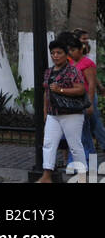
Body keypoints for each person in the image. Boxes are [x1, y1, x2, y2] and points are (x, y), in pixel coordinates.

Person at [37, 35, 88, 182]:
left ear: (66, 54)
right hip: (54, 114)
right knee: (48, 144)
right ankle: (47, 176)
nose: (55, 56)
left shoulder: (73, 70)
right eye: (53, 53)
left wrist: (60, 90)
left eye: (59, 53)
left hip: (72, 114)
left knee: (75, 146)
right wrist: (45, 111)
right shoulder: (49, 71)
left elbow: (81, 90)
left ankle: (82, 176)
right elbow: (46, 92)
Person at [72, 28, 105, 149]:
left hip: (87, 96)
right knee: (85, 131)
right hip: (76, 98)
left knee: (94, 123)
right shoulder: (71, 59)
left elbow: (91, 81)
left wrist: (90, 103)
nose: (86, 41)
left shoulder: (86, 61)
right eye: (83, 39)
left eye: (87, 39)